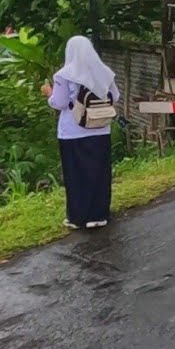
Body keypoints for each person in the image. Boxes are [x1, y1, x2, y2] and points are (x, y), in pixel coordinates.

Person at [43, 35, 120, 229]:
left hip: (72, 132)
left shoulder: (63, 75)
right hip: (100, 129)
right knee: (100, 173)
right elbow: (115, 96)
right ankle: (99, 215)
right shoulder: (105, 72)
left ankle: (78, 217)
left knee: (76, 175)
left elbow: (59, 103)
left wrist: (49, 94)